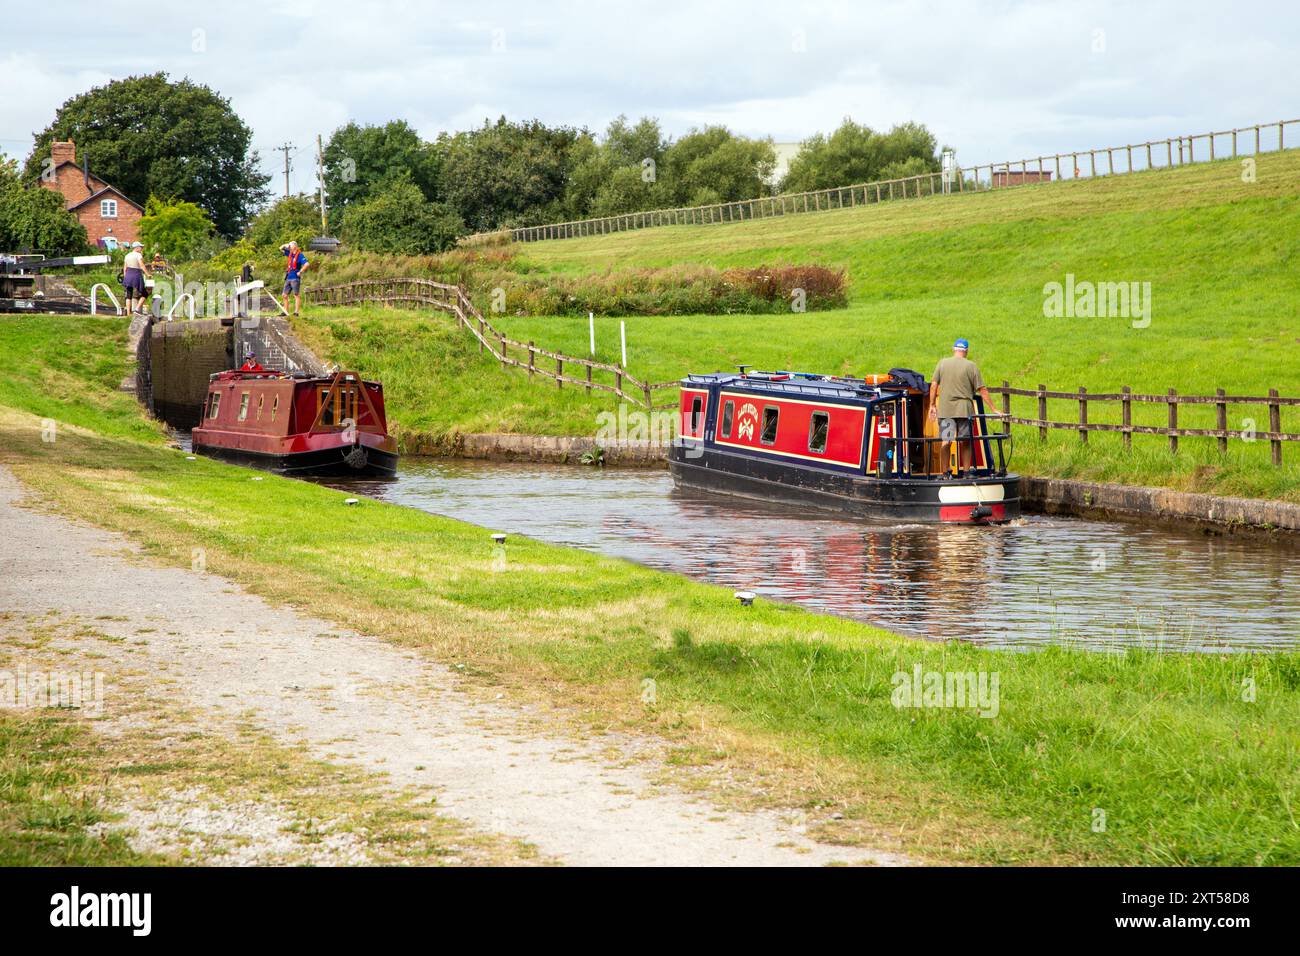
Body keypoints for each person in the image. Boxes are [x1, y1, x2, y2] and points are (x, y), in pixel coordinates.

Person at [928, 337, 999, 476]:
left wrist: (932, 405)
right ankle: (966, 472)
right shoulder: (971, 366)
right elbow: (982, 389)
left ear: (954, 349)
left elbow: (933, 386)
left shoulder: (942, 363)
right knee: (965, 441)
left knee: (946, 441)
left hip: (946, 410)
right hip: (964, 410)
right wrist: (993, 408)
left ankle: (945, 473)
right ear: (966, 351)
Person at [279, 241, 309, 316]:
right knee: (284, 295)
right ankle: (285, 312)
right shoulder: (290, 254)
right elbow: (280, 248)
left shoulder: (300, 255)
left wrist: (300, 271)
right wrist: (285, 245)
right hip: (288, 277)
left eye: (291, 246)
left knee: (296, 295)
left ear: (295, 246)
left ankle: (296, 312)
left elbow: (307, 264)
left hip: (295, 278)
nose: (289, 247)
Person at [121, 241, 151, 316]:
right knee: (145, 293)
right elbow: (141, 265)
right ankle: (137, 309)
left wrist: (125, 277)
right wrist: (148, 274)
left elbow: (125, 268)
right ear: (137, 248)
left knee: (129, 294)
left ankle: (128, 313)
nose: (141, 248)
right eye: (141, 247)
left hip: (128, 275)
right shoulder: (138, 255)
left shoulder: (127, 255)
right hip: (136, 275)